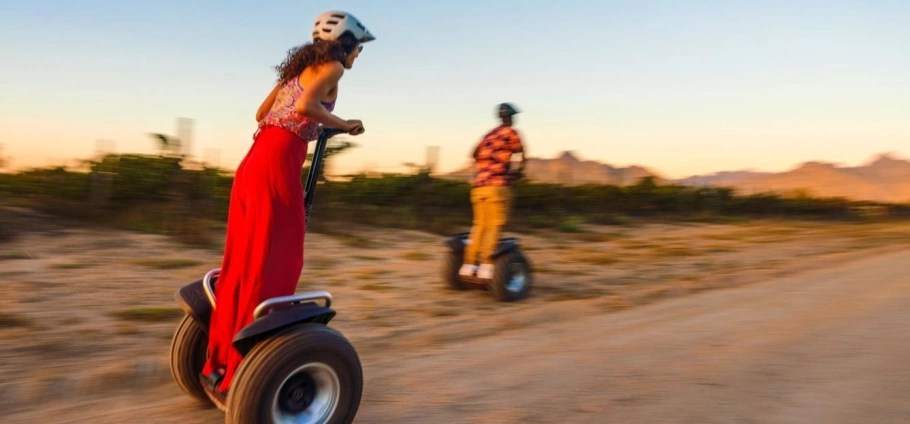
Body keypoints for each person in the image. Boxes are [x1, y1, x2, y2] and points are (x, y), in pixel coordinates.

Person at [200, 10, 376, 402]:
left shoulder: (299, 68)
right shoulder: (332, 67)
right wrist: (343, 123)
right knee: (278, 259)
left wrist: (317, 123)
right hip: (278, 163)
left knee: (243, 261)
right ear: (346, 42)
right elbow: (304, 109)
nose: (358, 56)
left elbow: (264, 114)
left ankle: (219, 362)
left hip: (255, 160)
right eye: (358, 48)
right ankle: (246, 366)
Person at [461, 103, 526, 279]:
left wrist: (483, 166)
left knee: (479, 226)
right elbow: (521, 153)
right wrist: (517, 171)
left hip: (479, 187)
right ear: (511, 117)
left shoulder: (488, 135)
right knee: (494, 226)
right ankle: (486, 266)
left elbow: (474, 152)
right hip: (498, 187)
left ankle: (468, 265)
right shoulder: (511, 132)